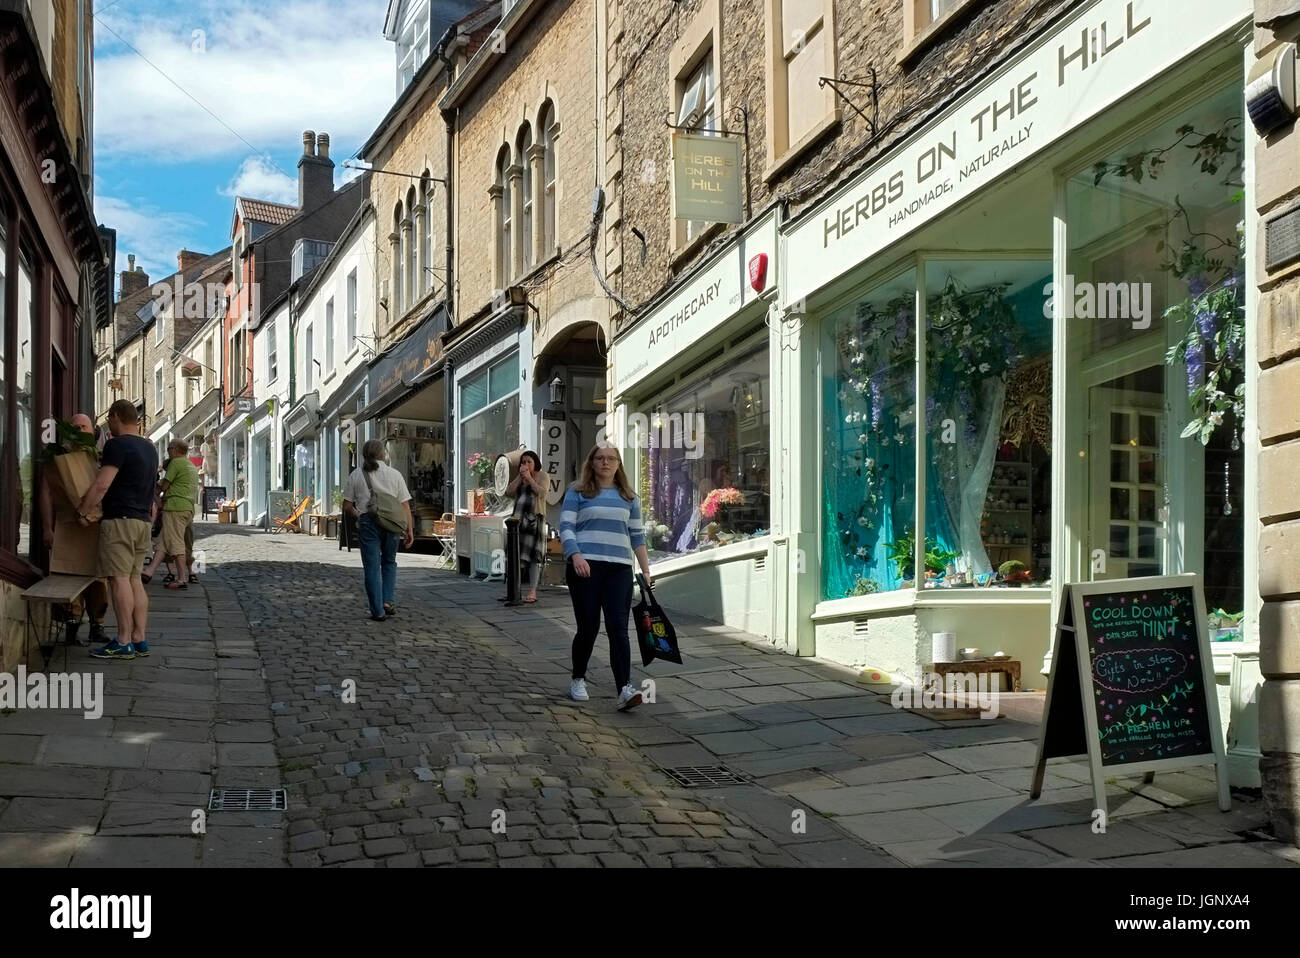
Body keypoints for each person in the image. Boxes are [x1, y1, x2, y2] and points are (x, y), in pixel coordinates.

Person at [559, 444, 654, 711]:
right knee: (588, 627)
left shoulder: (629, 497)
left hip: (619, 570)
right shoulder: (577, 493)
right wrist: (575, 555)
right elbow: (565, 526)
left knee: (618, 630)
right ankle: (578, 678)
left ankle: (624, 688)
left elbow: (637, 536)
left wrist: (646, 570)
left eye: (611, 458)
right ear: (592, 462)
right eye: (600, 458)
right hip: (585, 567)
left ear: (618, 464)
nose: (605, 462)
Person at [77, 400, 158, 660]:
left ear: (114, 417)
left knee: (119, 579)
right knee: (134, 579)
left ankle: (123, 640)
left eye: (108, 419)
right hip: (142, 522)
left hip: (120, 521)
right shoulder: (150, 448)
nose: (107, 425)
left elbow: (102, 485)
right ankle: (139, 638)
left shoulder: (116, 445)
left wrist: (82, 510)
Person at [39, 413, 109, 646]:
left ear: (92, 431)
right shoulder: (59, 459)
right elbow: (47, 494)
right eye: (75, 426)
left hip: (95, 525)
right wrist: (47, 528)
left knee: (98, 580)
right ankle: (71, 625)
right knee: (68, 576)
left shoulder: (101, 457)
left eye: (84, 426)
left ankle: (97, 626)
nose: (80, 430)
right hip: (67, 525)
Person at [343, 439, 414, 621]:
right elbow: (405, 505)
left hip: (368, 523)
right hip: (392, 524)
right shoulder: (395, 474)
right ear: (383, 454)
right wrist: (409, 529)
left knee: (372, 567)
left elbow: (346, 505)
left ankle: (377, 611)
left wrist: (359, 515)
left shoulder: (357, 475)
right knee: (389, 562)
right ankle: (388, 601)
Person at [143, 439, 198, 588]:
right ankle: (149, 572)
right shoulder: (190, 465)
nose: (168, 451)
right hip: (187, 508)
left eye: (168, 449)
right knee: (163, 542)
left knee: (176, 542)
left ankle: (181, 579)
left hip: (175, 507)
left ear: (175, 449)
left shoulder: (176, 463)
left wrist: (150, 488)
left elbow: (164, 485)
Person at [505, 450, 546, 603]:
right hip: (518, 520)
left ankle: (533, 591)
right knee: (514, 555)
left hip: (534, 519)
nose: (526, 465)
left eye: (529, 461)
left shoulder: (542, 476)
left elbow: (541, 493)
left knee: (533, 556)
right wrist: (519, 478)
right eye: (523, 462)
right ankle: (514, 591)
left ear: (535, 463)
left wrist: (530, 478)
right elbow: (508, 492)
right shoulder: (519, 477)